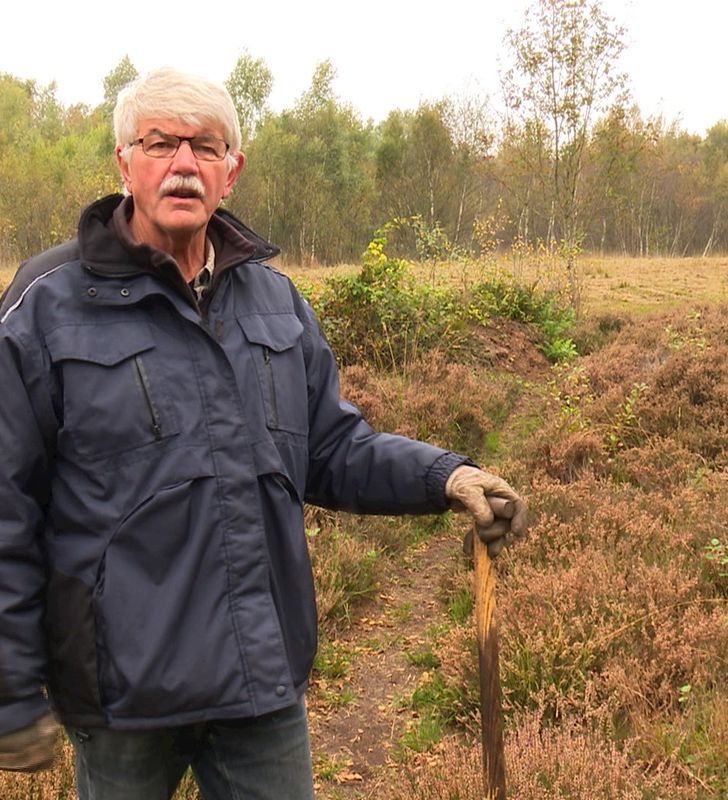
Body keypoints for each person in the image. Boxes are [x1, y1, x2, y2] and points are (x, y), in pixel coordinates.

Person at [0, 67, 527, 800]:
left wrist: (445, 475)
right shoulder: (47, 306)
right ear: (124, 162)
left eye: (205, 147)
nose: (184, 164)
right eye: (160, 144)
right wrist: (9, 686)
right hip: (123, 694)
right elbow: (7, 507)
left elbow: (331, 449)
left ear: (231, 171)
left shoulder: (276, 303)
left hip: (260, 681)